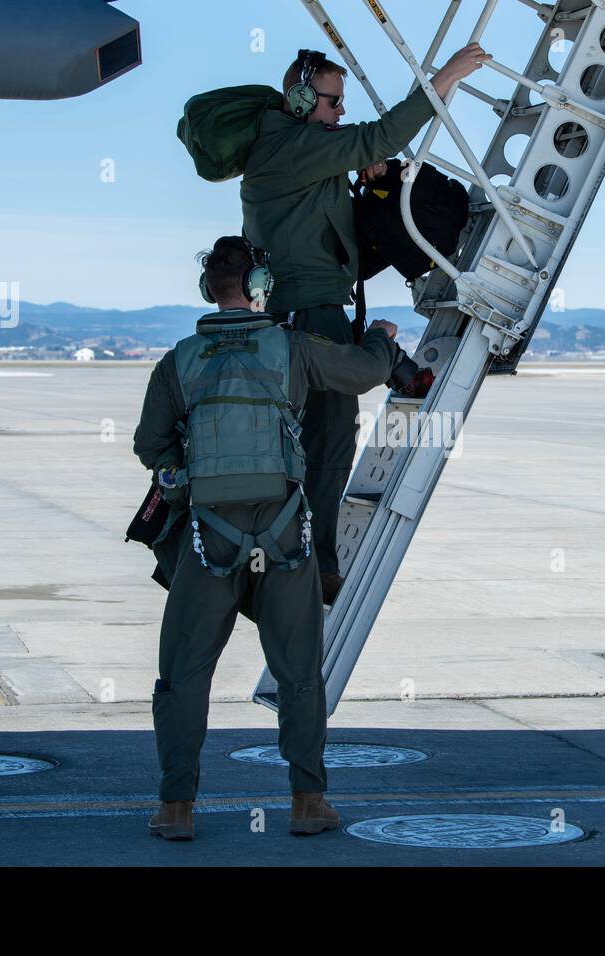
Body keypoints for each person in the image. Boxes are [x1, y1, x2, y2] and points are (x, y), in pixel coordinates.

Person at [133, 236, 401, 841]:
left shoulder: (177, 361)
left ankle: (176, 809)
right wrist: (382, 337)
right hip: (286, 534)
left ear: (210, 291)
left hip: (208, 538)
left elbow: (150, 447)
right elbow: (364, 374)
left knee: (183, 673)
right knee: (299, 670)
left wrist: (188, 473)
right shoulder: (295, 350)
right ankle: (309, 802)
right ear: (259, 288)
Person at [241, 42, 491, 604]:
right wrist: (443, 78)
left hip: (303, 313)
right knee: (326, 449)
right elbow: (377, 136)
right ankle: (311, 568)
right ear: (301, 99)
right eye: (332, 104)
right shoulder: (292, 145)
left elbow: (362, 152)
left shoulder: (292, 146)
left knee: (305, 448)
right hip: (311, 319)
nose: (339, 114)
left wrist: (364, 168)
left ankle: (289, 561)